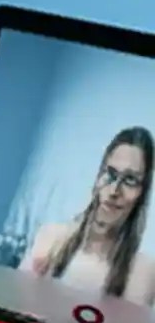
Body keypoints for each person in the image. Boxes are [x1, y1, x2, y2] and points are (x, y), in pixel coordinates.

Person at [19, 127, 155, 304]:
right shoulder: (51, 240)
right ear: (99, 176)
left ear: (142, 194)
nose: (114, 190)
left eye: (130, 180)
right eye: (110, 174)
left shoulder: (145, 274)